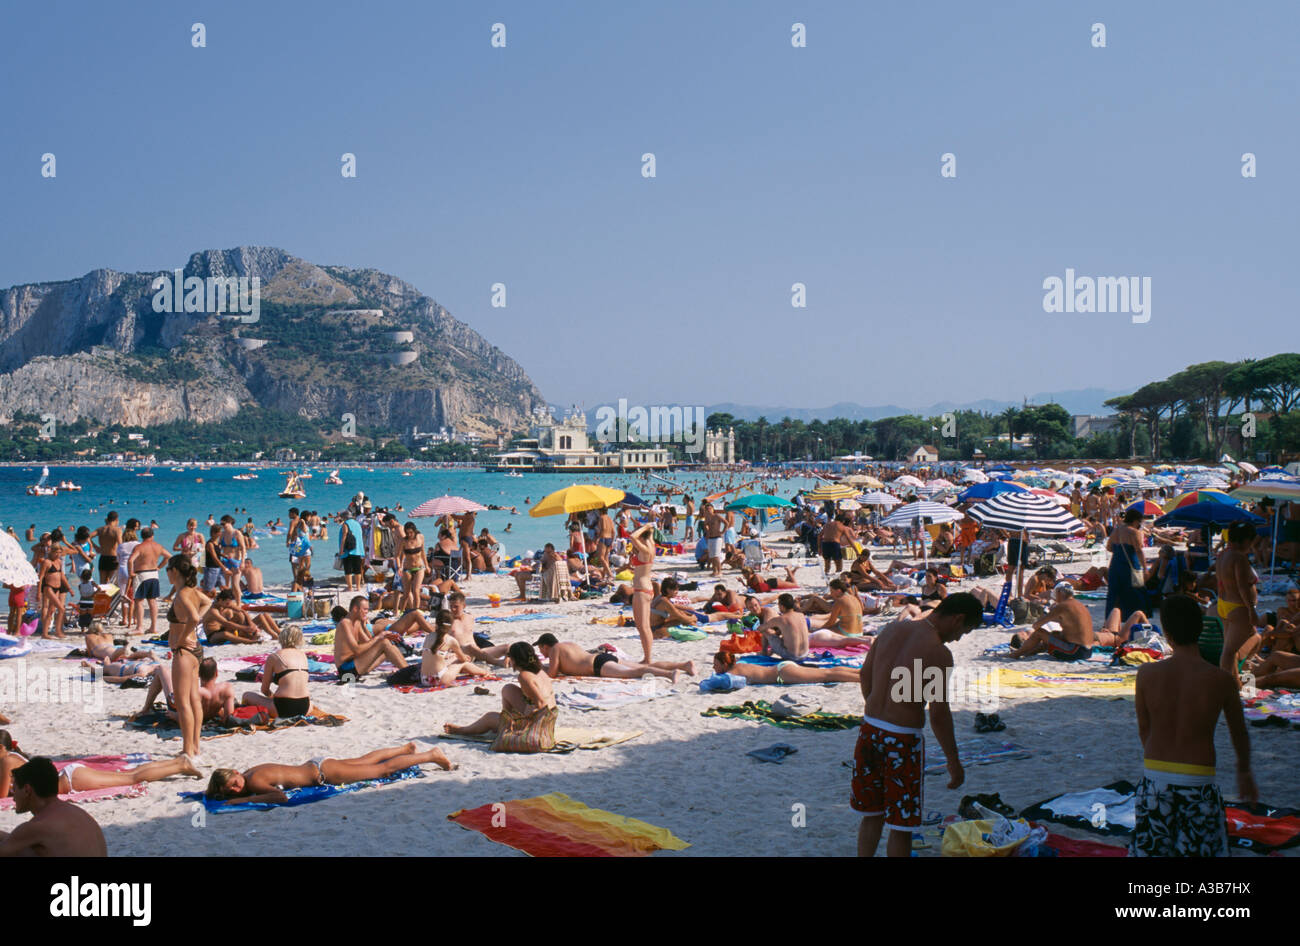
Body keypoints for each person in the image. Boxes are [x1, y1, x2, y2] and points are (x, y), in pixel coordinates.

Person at [854, 594, 983, 857]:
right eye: (963, 631)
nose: (958, 638)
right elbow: (938, 714)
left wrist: (879, 709)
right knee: (901, 825)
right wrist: (953, 760)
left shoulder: (892, 629)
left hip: (869, 731)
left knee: (872, 814)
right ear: (957, 619)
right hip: (901, 741)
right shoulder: (938, 653)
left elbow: (865, 676)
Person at [1131, 594, 1256, 857]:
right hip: (1197, 780)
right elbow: (1239, 732)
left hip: (1155, 777)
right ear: (1200, 628)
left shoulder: (1146, 675)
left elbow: (1145, 729)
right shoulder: (1220, 680)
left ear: (1166, 631)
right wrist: (1244, 772)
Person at [204, 743, 456, 804]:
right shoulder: (249, 772)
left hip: (324, 773)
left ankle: (430, 756)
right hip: (317, 764)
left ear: (237, 773)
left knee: (380, 770)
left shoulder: (254, 782)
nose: (237, 789)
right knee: (365, 760)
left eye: (235, 784)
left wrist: (241, 800)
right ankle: (405, 748)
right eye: (232, 790)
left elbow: (279, 798)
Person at [0, 734, 200, 802]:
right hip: (70, 776)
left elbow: (2, 796)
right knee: (130, 774)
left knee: (132, 778)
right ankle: (177, 763)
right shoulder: (13, 757)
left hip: (70, 780)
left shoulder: (7, 761)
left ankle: (180, 765)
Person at [0, 756, 107, 857]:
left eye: (15, 789)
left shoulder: (36, 827)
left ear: (27, 790)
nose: (13, 796)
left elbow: (13, 843)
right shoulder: (79, 814)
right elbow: (17, 839)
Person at [444, 642, 556, 738]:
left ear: (514, 660)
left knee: (489, 718)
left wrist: (525, 726)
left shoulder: (525, 676)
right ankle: (505, 721)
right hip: (549, 722)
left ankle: (462, 731)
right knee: (508, 689)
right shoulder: (539, 672)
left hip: (538, 725)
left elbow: (541, 704)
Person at [165, 555, 212, 759]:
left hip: (184, 652)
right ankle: (195, 748)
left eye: (167, 568)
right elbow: (208, 602)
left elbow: (193, 617)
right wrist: (191, 631)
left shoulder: (182, 594)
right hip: (196, 649)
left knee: (183, 702)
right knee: (193, 700)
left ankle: (187, 749)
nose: (165, 572)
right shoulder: (192, 592)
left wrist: (181, 637)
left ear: (175, 571)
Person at [534, 632, 693, 681]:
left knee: (634, 672)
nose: (542, 653)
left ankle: (669, 673)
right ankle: (683, 665)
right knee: (639, 666)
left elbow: (552, 674)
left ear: (545, 646)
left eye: (541, 650)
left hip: (598, 666)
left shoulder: (555, 650)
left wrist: (540, 667)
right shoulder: (567, 644)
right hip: (601, 658)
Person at [1216, 522, 1262, 688]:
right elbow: (1243, 587)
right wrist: (1252, 611)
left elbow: (1220, 583)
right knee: (1229, 652)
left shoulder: (1222, 555)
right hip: (1238, 607)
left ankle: (1235, 685)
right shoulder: (1238, 558)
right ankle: (1224, 687)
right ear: (1245, 540)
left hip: (1225, 604)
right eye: (1250, 541)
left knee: (1231, 650)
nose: (1251, 545)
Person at [1006, 582, 1095, 659]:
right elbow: (1069, 622)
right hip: (1088, 651)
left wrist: (1048, 613)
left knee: (1039, 633)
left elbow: (1036, 626)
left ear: (1059, 593)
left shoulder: (1062, 606)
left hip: (1074, 651)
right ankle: (1029, 652)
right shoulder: (1079, 605)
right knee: (1055, 634)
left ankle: (1015, 655)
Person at [242, 626, 312, 718]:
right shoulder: (303, 656)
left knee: (247, 695)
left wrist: (271, 697)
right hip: (304, 706)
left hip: (282, 707)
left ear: (281, 638)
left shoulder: (274, 657)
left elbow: (264, 690)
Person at [332, 598, 408, 681]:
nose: (367, 612)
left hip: (357, 665)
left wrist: (364, 626)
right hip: (346, 671)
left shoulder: (357, 623)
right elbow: (357, 650)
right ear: (355, 609)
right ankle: (408, 673)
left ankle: (407, 670)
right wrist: (380, 637)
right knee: (384, 643)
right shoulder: (345, 623)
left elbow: (370, 643)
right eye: (365, 609)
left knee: (386, 645)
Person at [711, 650, 859, 685]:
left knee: (827, 675)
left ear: (724, 665)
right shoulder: (739, 665)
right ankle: (860, 673)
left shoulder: (731, 674)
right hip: (782, 668)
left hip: (782, 674)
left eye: (716, 665)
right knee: (827, 672)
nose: (713, 667)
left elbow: (716, 684)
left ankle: (860, 678)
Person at [1105, 508, 1149, 623]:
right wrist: (1145, 568)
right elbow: (1139, 550)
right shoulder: (1134, 532)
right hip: (1130, 565)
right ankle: (1135, 620)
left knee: (1114, 594)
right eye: (1140, 522)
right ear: (1135, 521)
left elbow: (1109, 547)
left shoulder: (1117, 530)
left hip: (1115, 565)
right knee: (1135, 593)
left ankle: (1111, 621)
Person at [127, 527, 168, 638]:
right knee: (152, 601)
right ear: (152, 536)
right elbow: (168, 556)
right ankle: (153, 627)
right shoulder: (158, 546)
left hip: (142, 575)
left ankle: (139, 627)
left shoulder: (139, 547)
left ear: (142, 536)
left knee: (139, 601)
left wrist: (130, 573)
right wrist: (159, 567)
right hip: (154, 574)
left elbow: (130, 560)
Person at [757, 594, 811, 660]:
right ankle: (770, 651)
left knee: (765, 631)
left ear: (782, 606)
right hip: (805, 653)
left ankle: (764, 652)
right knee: (784, 635)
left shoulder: (781, 619)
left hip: (792, 656)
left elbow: (760, 628)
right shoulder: (801, 615)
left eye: (779, 605)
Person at [339, 510, 365, 592]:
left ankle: (350, 587)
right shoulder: (357, 523)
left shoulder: (345, 524)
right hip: (358, 549)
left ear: (344, 517)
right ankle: (358, 587)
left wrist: (341, 549)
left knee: (348, 569)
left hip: (348, 550)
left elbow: (344, 536)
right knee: (357, 569)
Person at [92, 511, 121, 585]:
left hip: (103, 557)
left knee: (102, 583)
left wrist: (96, 547)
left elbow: (88, 537)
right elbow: (121, 545)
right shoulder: (117, 530)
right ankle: (110, 597)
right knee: (112, 583)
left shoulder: (101, 529)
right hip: (113, 558)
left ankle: (102, 597)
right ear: (117, 519)